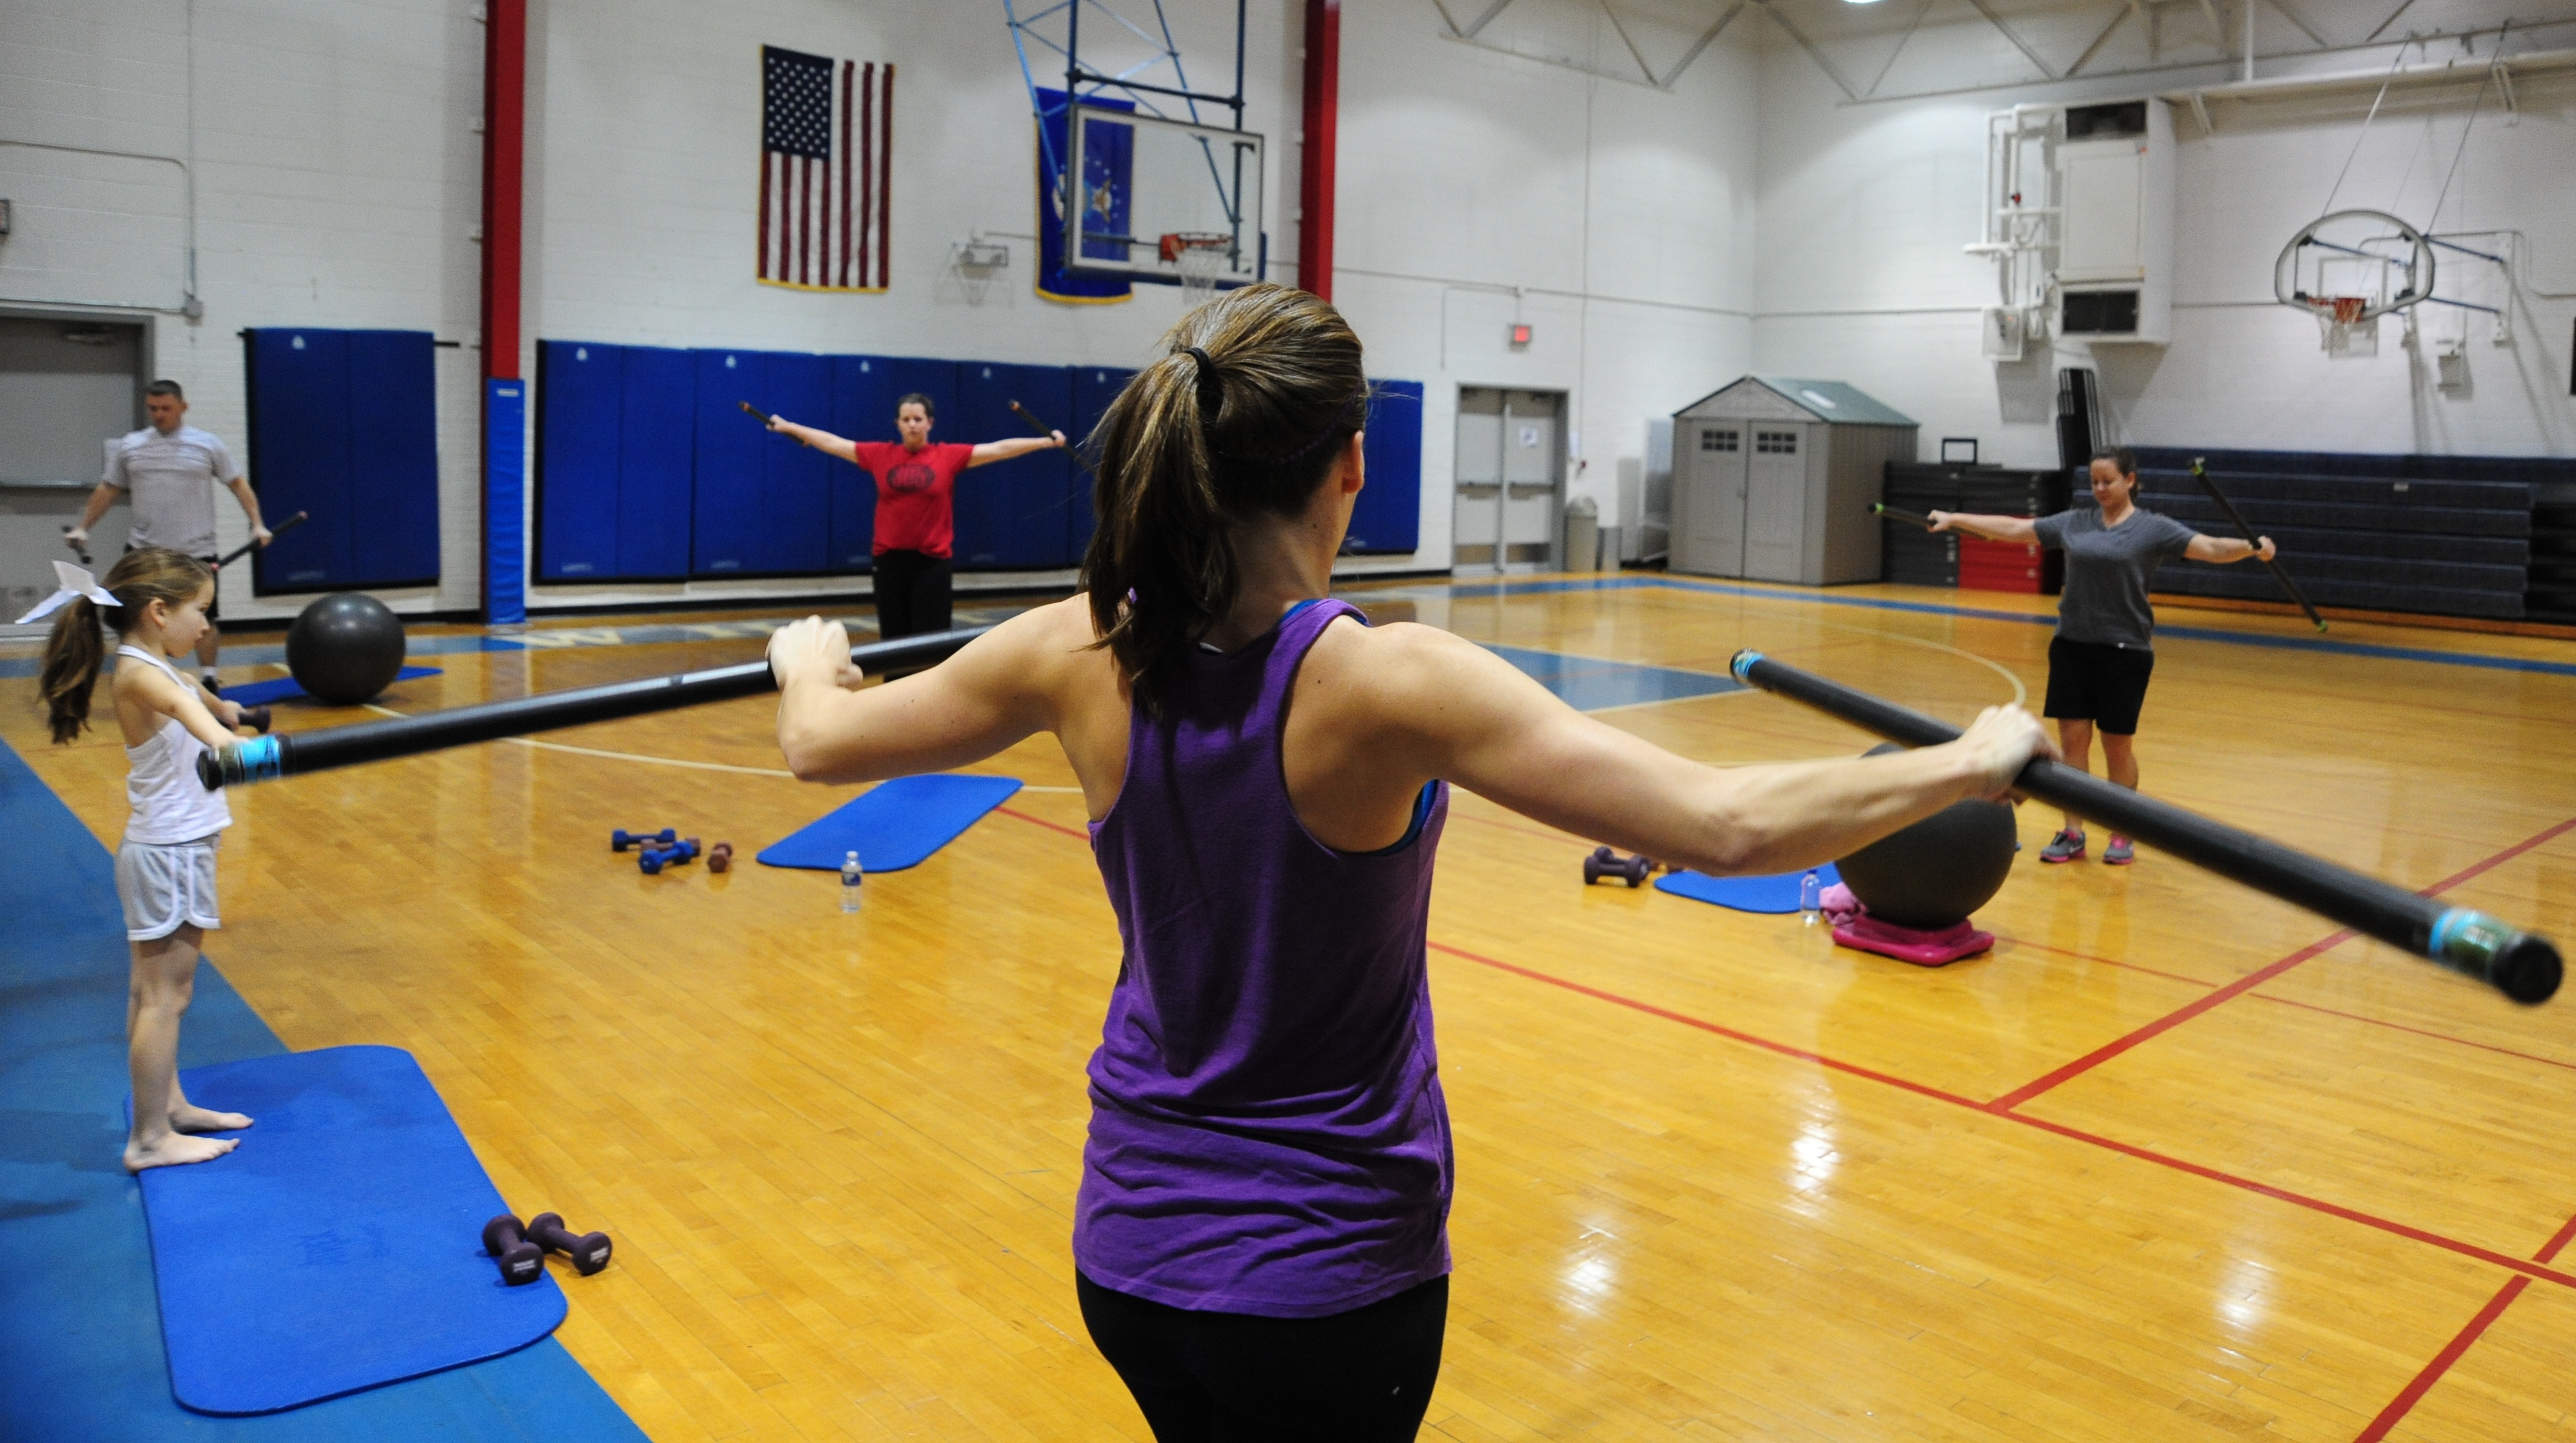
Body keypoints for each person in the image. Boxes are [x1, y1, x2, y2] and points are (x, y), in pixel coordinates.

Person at [765, 284, 2053, 1441]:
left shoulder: (1074, 648)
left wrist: (806, 654)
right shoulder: (1385, 683)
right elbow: (1724, 823)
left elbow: (821, 738)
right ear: (1351, 467)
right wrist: (1964, 759)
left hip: (1132, 1254)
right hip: (1326, 1279)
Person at [1929, 445, 2276, 866]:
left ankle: (2121, 830)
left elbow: (2211, 547)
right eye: (2094, 481)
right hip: (2072, 646)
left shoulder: (2154, 528)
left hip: (2125, 652)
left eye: (2107, 481)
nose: (2099, 489)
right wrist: (1955, 519)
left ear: (2130, 480)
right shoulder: (2076, 521)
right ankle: (2073, 831)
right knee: (2072, 742)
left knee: (2117, 746)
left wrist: (2251, 547)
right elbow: (2014, 528)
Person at [36, 549, 258, 1172]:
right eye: (201, 613)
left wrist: (230, 712)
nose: (207, 628)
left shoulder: (152, 664)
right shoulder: (144, 676)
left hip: (169, 849)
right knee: (168, 997)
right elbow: (217, 740)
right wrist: (252, 747)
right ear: (160, 611)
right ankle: (151, 1138)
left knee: (150, 990)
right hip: (170, 855)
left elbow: (207, 707)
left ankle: (169, 1106)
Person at [763, 396, 1066, 640]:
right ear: (897, 424)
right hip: (890, 562)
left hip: (932, 564)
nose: (912, 425)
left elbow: (998, 449)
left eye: (918, 419)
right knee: (893, 640)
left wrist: (1044, 442)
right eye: (906, 420)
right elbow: (833, 442)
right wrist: (792, 427)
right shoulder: (880, 455)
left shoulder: (947, 456)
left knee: (930, 641)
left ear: (930, 423)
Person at [67, 380, 273, 694]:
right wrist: (84, 527)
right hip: (144, 551)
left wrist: (257, 524)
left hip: (196, 551)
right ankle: (141, 674)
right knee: (136, 618)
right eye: (153, 408)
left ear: (183, 407)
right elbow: (108, 489)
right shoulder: (131, 445)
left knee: (204, 619)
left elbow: (238, 484)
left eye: (166, 408)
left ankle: (208, 676)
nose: (159, 414)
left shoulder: (207, 444)